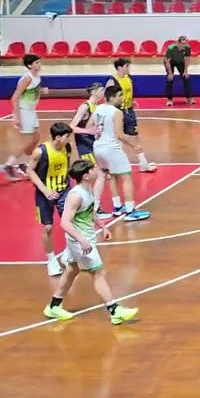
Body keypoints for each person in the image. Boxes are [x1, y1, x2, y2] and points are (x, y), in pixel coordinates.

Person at [42, 158, 140, 325]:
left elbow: (89, 212)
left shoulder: (89, 190)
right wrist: (81, 241)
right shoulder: (75, 196)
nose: (96, 170)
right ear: (85, 175)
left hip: (85, 238)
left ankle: (54, 306)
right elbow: (65, 222)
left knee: (72, 270)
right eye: (92, 169)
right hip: (80, 240)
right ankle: (114, 310)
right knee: (98, 273)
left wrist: (103, 227)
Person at [93, 85, 150, 222]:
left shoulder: (98, 109)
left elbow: (91, 126)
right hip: (111, 148)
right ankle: (130, 210)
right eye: (119, 96)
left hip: (98, 147)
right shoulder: (116, 112)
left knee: (112, 175)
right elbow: (119, 134)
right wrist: (134, 144)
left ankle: (117, 207)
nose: (122, 98)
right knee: (126, 177)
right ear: (112, 97)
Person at [27, 122, 76, 279]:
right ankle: (51, 260)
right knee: (48, 227)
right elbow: (30, 171)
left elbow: (67, 169)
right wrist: (45, 190)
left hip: (63, 191)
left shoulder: (67, 148)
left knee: (70, 223)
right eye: (67, 137)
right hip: (45, 192)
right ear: (57, 137)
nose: (70, 140)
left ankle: (67, 253)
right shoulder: (40, 152)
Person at [105, 58, 154, 174]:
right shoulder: (112, 81)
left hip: (129, 111)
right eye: (127, 66)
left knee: (135, 137)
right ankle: (113, 166)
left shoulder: (128, 79)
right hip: (118, 112)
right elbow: (107, 99)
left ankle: (143, 164)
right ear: (120, 67)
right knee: (117, 139)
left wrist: (132, 101)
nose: (129, 68)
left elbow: (129, 93)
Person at [4, 53, 46, 182]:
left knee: (36, 138)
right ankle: (8, 165)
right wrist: (16, 116)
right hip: (24, 112)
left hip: (31, 111)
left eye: (39, 62)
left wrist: (40, 92)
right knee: (26, 141)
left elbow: (34, 92)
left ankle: (22, 162)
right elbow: (14, 98)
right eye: (37, 62)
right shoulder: (26, 78)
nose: (40, 64)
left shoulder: (37, 77)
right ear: (29, 65)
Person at [70, 83, 104, 165]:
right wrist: (88, 131)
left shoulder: (97, 106)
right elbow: (71, 127)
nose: (104, 92)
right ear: (93, 92)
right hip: (85, 145)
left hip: (95, 143)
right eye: (101, 90)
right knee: (93, 172)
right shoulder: (85, 107)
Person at [164, 36, 195, 107]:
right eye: (183, 44)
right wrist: (170, 73)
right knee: (170, 79)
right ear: (178, 43)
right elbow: (167, 61)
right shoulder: (171, 48)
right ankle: (169, 99)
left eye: (186, 43)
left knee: (186, 77)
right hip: (170, 62)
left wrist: (185, 71)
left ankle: (189, 98)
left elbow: (187, 59)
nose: (185, 45)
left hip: (180, 61)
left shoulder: (187, 47)